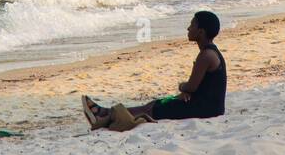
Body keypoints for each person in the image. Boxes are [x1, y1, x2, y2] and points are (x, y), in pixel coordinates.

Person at [81, 11, 226, 129]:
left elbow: (191, 86)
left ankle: (105, 115)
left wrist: (182, 86)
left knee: (153, 108)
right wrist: (187, 91)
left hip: (206, 109)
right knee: (155, 105)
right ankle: (108, 115)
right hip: (207, 106)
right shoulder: (210, 52)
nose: (188, 28)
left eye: (192, 25)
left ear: (201, 32)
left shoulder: (206, 55)